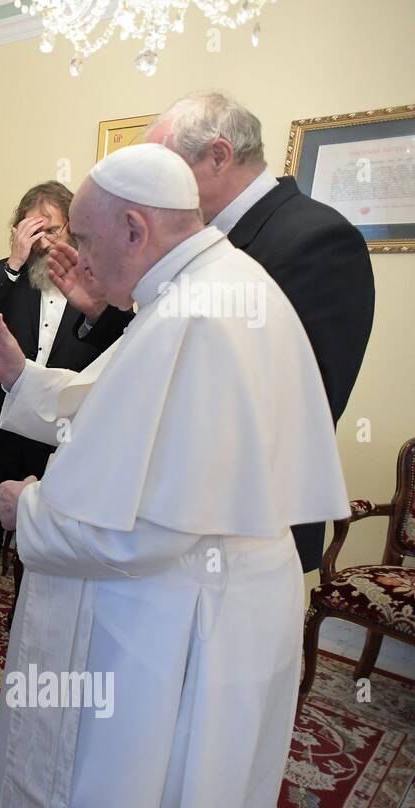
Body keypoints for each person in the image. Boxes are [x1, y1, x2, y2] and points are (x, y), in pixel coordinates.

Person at [0, 144, 349, 808]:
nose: (81, 264)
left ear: (135, 228)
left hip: (183, 622)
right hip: (209, 608)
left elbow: (149, 528)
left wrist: (28, 512)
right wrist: (12, 364)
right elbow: (112, 403)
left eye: (90, 242)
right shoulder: (204, 290)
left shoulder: (199, 312)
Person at [70, 92, 374, 572]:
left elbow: (295, 402)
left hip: (242, 530)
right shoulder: (193, 245)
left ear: (217, 156)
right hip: (167, 523)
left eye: (165, 166)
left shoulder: (315, 240)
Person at [0, 183, 133, 638]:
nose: (43, 242)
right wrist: (14, 262)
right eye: (32, 231)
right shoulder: (14, 275)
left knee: (40, 525)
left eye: (51, 230)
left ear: (72, 230)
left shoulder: (93, 283)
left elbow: (116, 341)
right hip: (4, 424)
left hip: (64, 431)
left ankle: (25, 614)